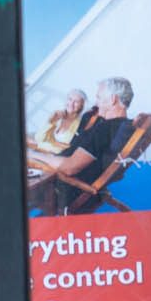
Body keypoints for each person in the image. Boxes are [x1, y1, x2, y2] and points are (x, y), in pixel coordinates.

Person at [29, 77, 134, 216]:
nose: (96, 102)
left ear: (113, 99)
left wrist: (33, 155)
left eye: (99, 97)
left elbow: (69, 168)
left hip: (64, 188)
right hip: (77, 183)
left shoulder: (104, 130)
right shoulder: (122, 125)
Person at [32, 89, 94, 155]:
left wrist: (46, 143)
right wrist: (51, 122)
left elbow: (67, 148)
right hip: (37, 153)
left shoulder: (81, 124)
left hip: (53, 159)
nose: (71, 104)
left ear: (82, 105)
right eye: (70, 99)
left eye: (76, 102)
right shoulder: (56, 115)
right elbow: (38, 137)